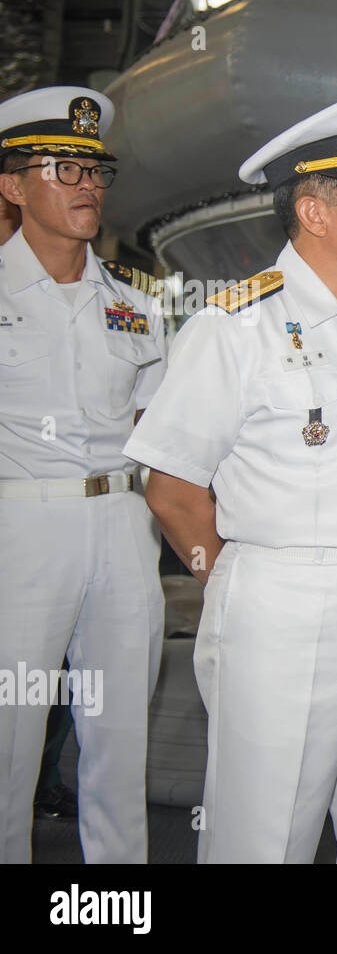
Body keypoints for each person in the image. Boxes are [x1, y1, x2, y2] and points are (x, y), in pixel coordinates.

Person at [124, 91, 337, 863]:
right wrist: (233, 583)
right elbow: (171, 489)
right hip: (286, 599)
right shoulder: (234, 327)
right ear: (316, 212)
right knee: (266, 833)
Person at [0, 86, 165, 863]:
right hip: (22, 527)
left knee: (119, 732)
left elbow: (160, 429)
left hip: (122, 525)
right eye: (64, 168)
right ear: (11, 184)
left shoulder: (134, 306)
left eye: (96, 171)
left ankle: (113, 897)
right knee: (10, 739)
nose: (87, 185)